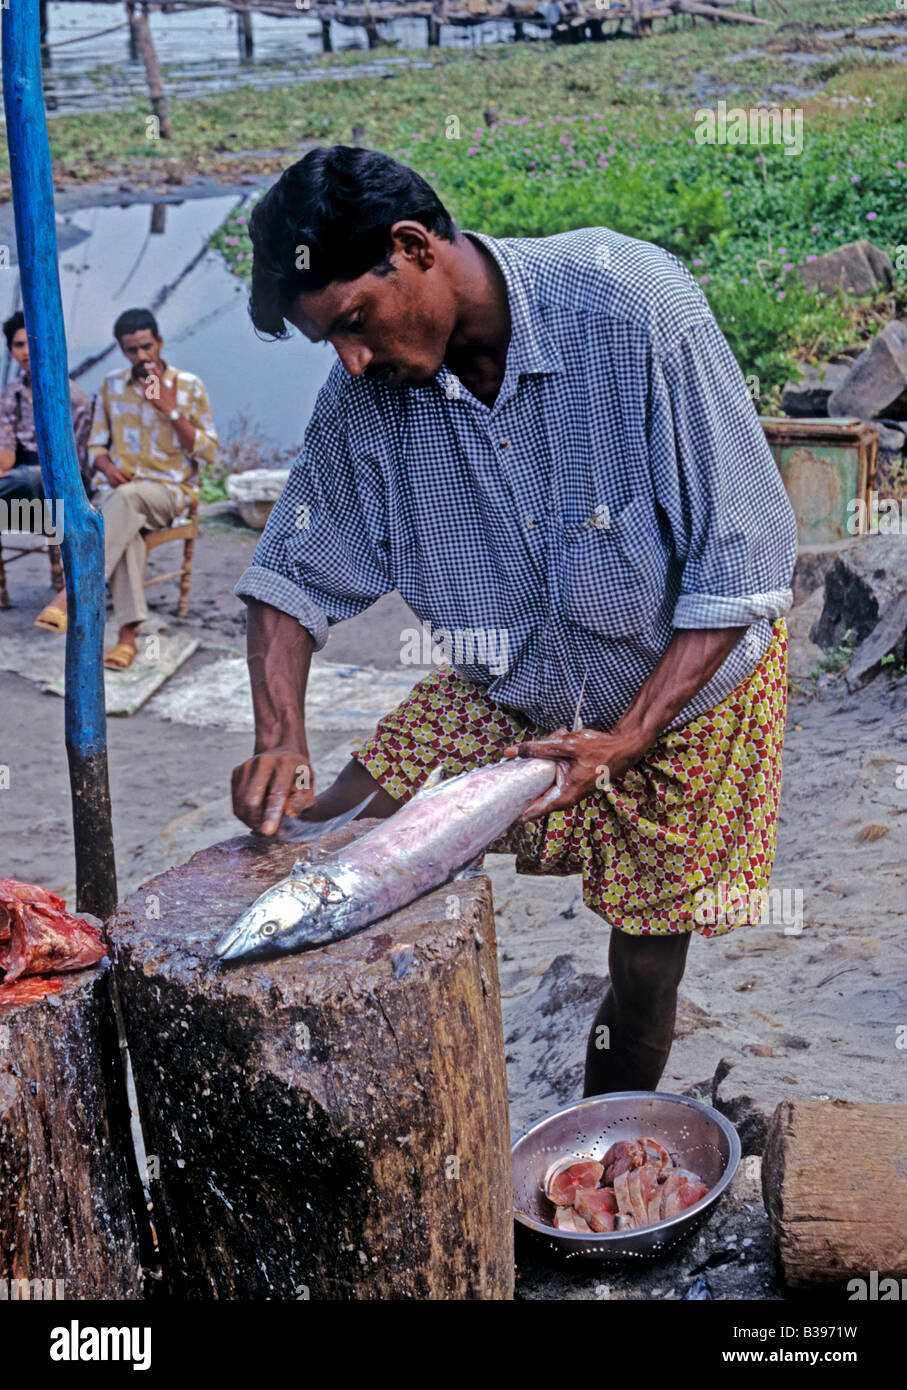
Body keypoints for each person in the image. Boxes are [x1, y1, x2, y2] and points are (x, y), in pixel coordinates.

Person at [230, 146, 797, 1096]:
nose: (352, 359)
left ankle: (608, 1124)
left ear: (411, 247)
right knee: (329, 828)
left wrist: (625, 738)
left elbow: (741, 564)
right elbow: (287, 575)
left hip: (693, 699)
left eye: (354, 323)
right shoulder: (366, 403)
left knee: (647, 957)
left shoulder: (632, 307)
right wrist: (279, 736)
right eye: (330, 341)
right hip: (514, 677)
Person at [35, 308, 218, 669]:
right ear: (123, 351)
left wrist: (170, 409)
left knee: (125, 503)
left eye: (147, 347)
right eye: (133, 350)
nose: (142, 357)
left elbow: (209, 453)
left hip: (168, 493)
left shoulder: (189, 386)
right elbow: (96, 448)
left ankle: (74, 593)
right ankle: (127, 638)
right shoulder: (112, 385)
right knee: (125, 522)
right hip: (120, 494)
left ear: (160, 342)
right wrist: (108, 467)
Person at [0, 309, 93, 508]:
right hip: (18, 478)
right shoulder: (10, 394)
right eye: (19, 345)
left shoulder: (71, 396)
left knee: (30, 479)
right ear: (10, 349)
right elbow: (4, 460)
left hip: (64, 481)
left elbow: (75, 464)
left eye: (32, 342)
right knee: (22, 483)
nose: (26, 351)